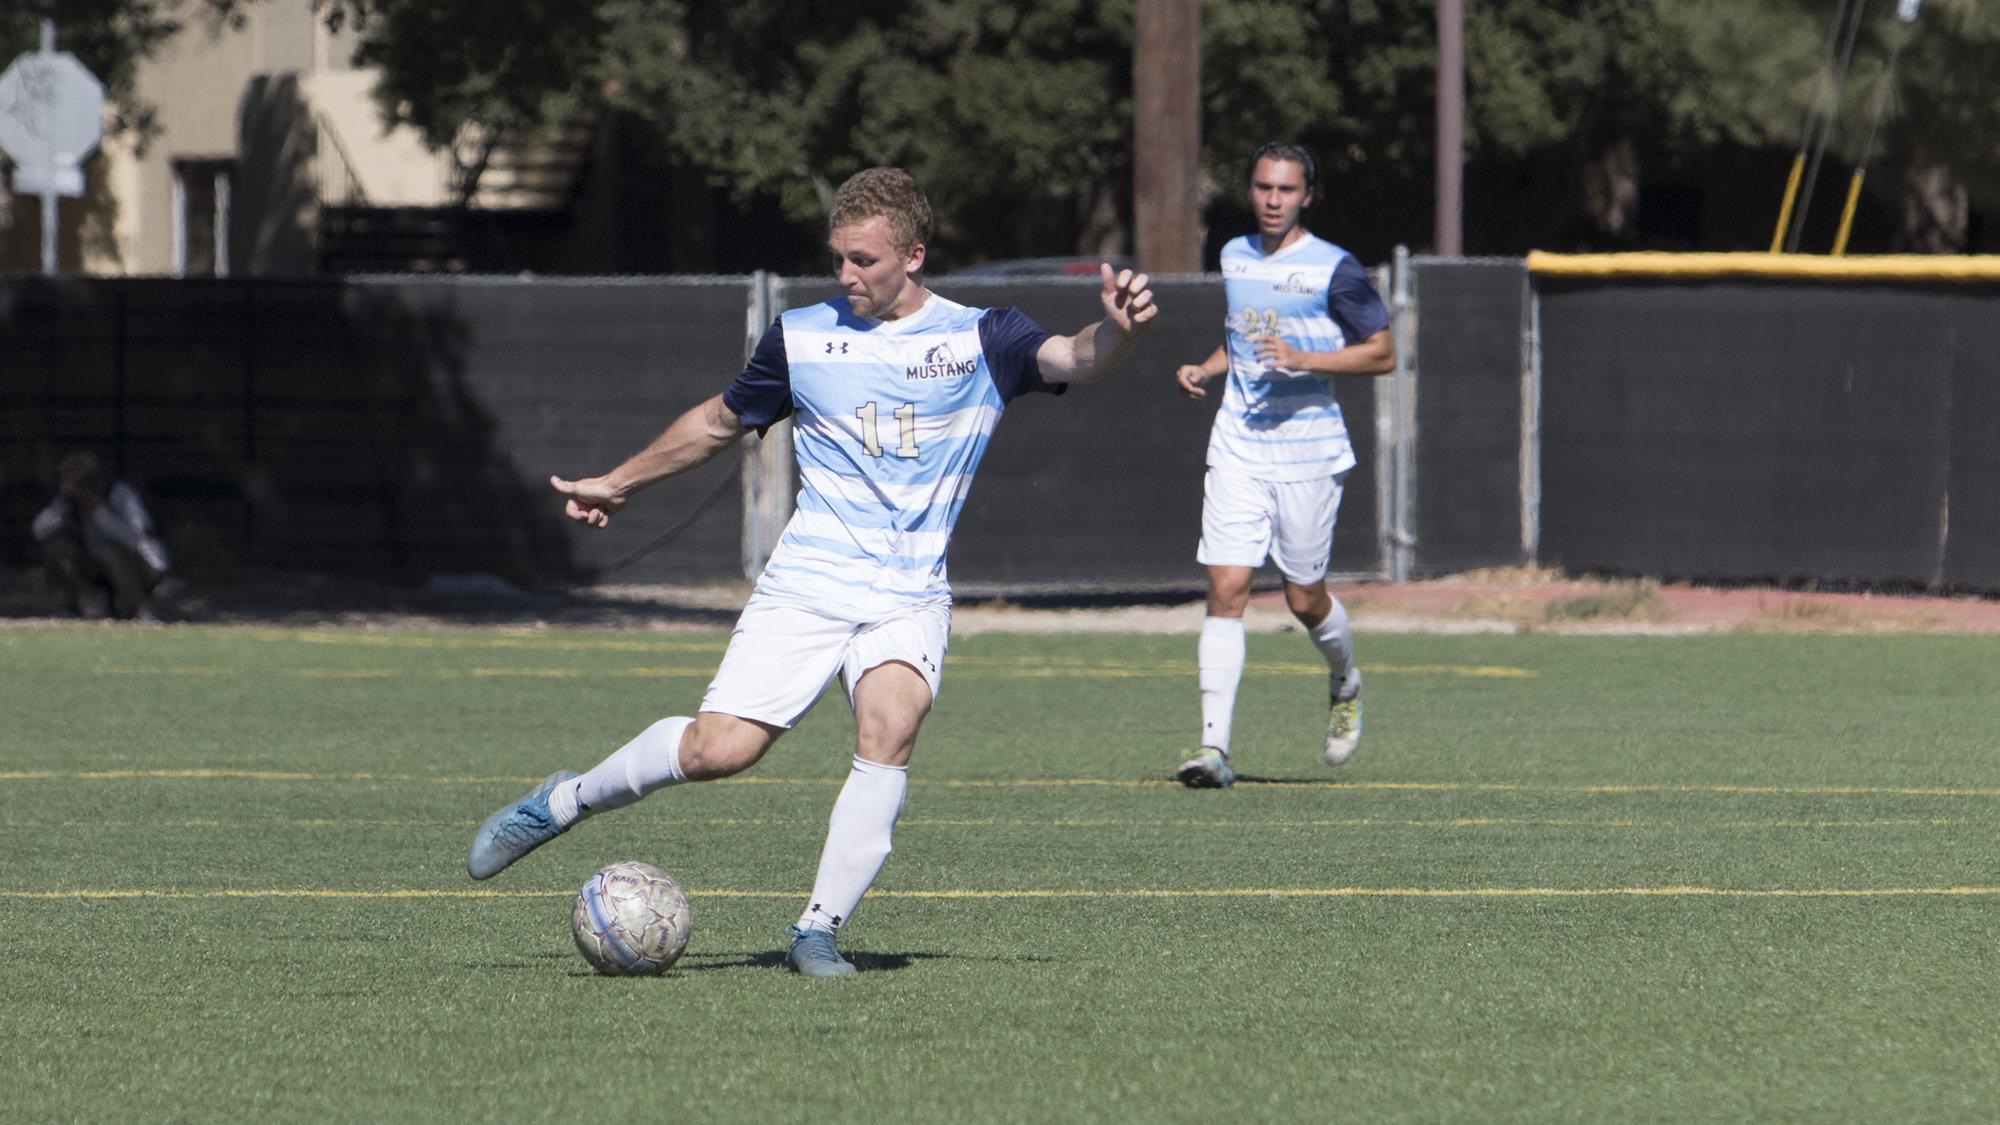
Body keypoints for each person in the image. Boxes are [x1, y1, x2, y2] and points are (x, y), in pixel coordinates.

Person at [467, 167, 1158, 976]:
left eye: (863, 260)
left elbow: (1074, 355)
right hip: (809, 584)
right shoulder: (802, 337)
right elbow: (720, 422)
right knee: (717, 750)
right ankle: (564, 799)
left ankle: (815, 931)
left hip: (907, 592)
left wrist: (1119, 331)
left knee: (889, 727)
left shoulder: (982, 336)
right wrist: (620, 481)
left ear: (914, 255)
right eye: (837, 259)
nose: (846, 276)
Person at [1171, 142, 1395, 789]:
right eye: (1264, 187)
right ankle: (1214, 750)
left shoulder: (1335, 269)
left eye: (1286, 190)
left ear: (1308, 195)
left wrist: (1306, 357)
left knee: (1303, 597)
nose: (1273, 200)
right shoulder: (1235, 254)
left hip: (1310, 455)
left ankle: (1345, 678)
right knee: (1226, 586)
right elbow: (1243, 334)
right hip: (1239, 445)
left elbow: (1381, 352)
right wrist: (1208, 368)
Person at [31, 450, 172, 621]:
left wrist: (99, 510)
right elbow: (39, 530)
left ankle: (140, 611)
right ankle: (68, 609)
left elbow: (136, 538)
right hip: (97, 568)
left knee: (108, 552)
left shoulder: (120, 493)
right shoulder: (69, 502)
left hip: (143, 567)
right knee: (57, 548)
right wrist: (62, 502)